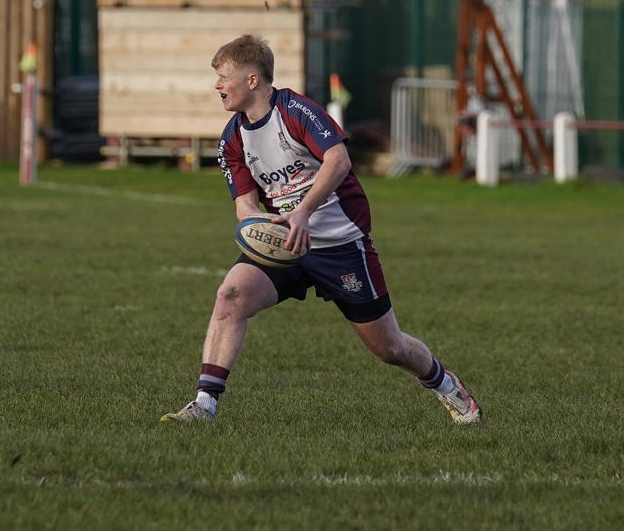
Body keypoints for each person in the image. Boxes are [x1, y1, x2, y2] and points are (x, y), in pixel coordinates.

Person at [161, 35, 481, 425]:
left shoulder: (296, 111)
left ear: (252, 81)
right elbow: (245, 205)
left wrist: (303, 212)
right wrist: (257, 228)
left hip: (341, 243)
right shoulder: (231, 138)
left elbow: (338, 159)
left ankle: (445, 384)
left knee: (389, 348)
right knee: (230, 294)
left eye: (223, 77)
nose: (217, 86)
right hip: (284, 244)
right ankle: (205, 405)